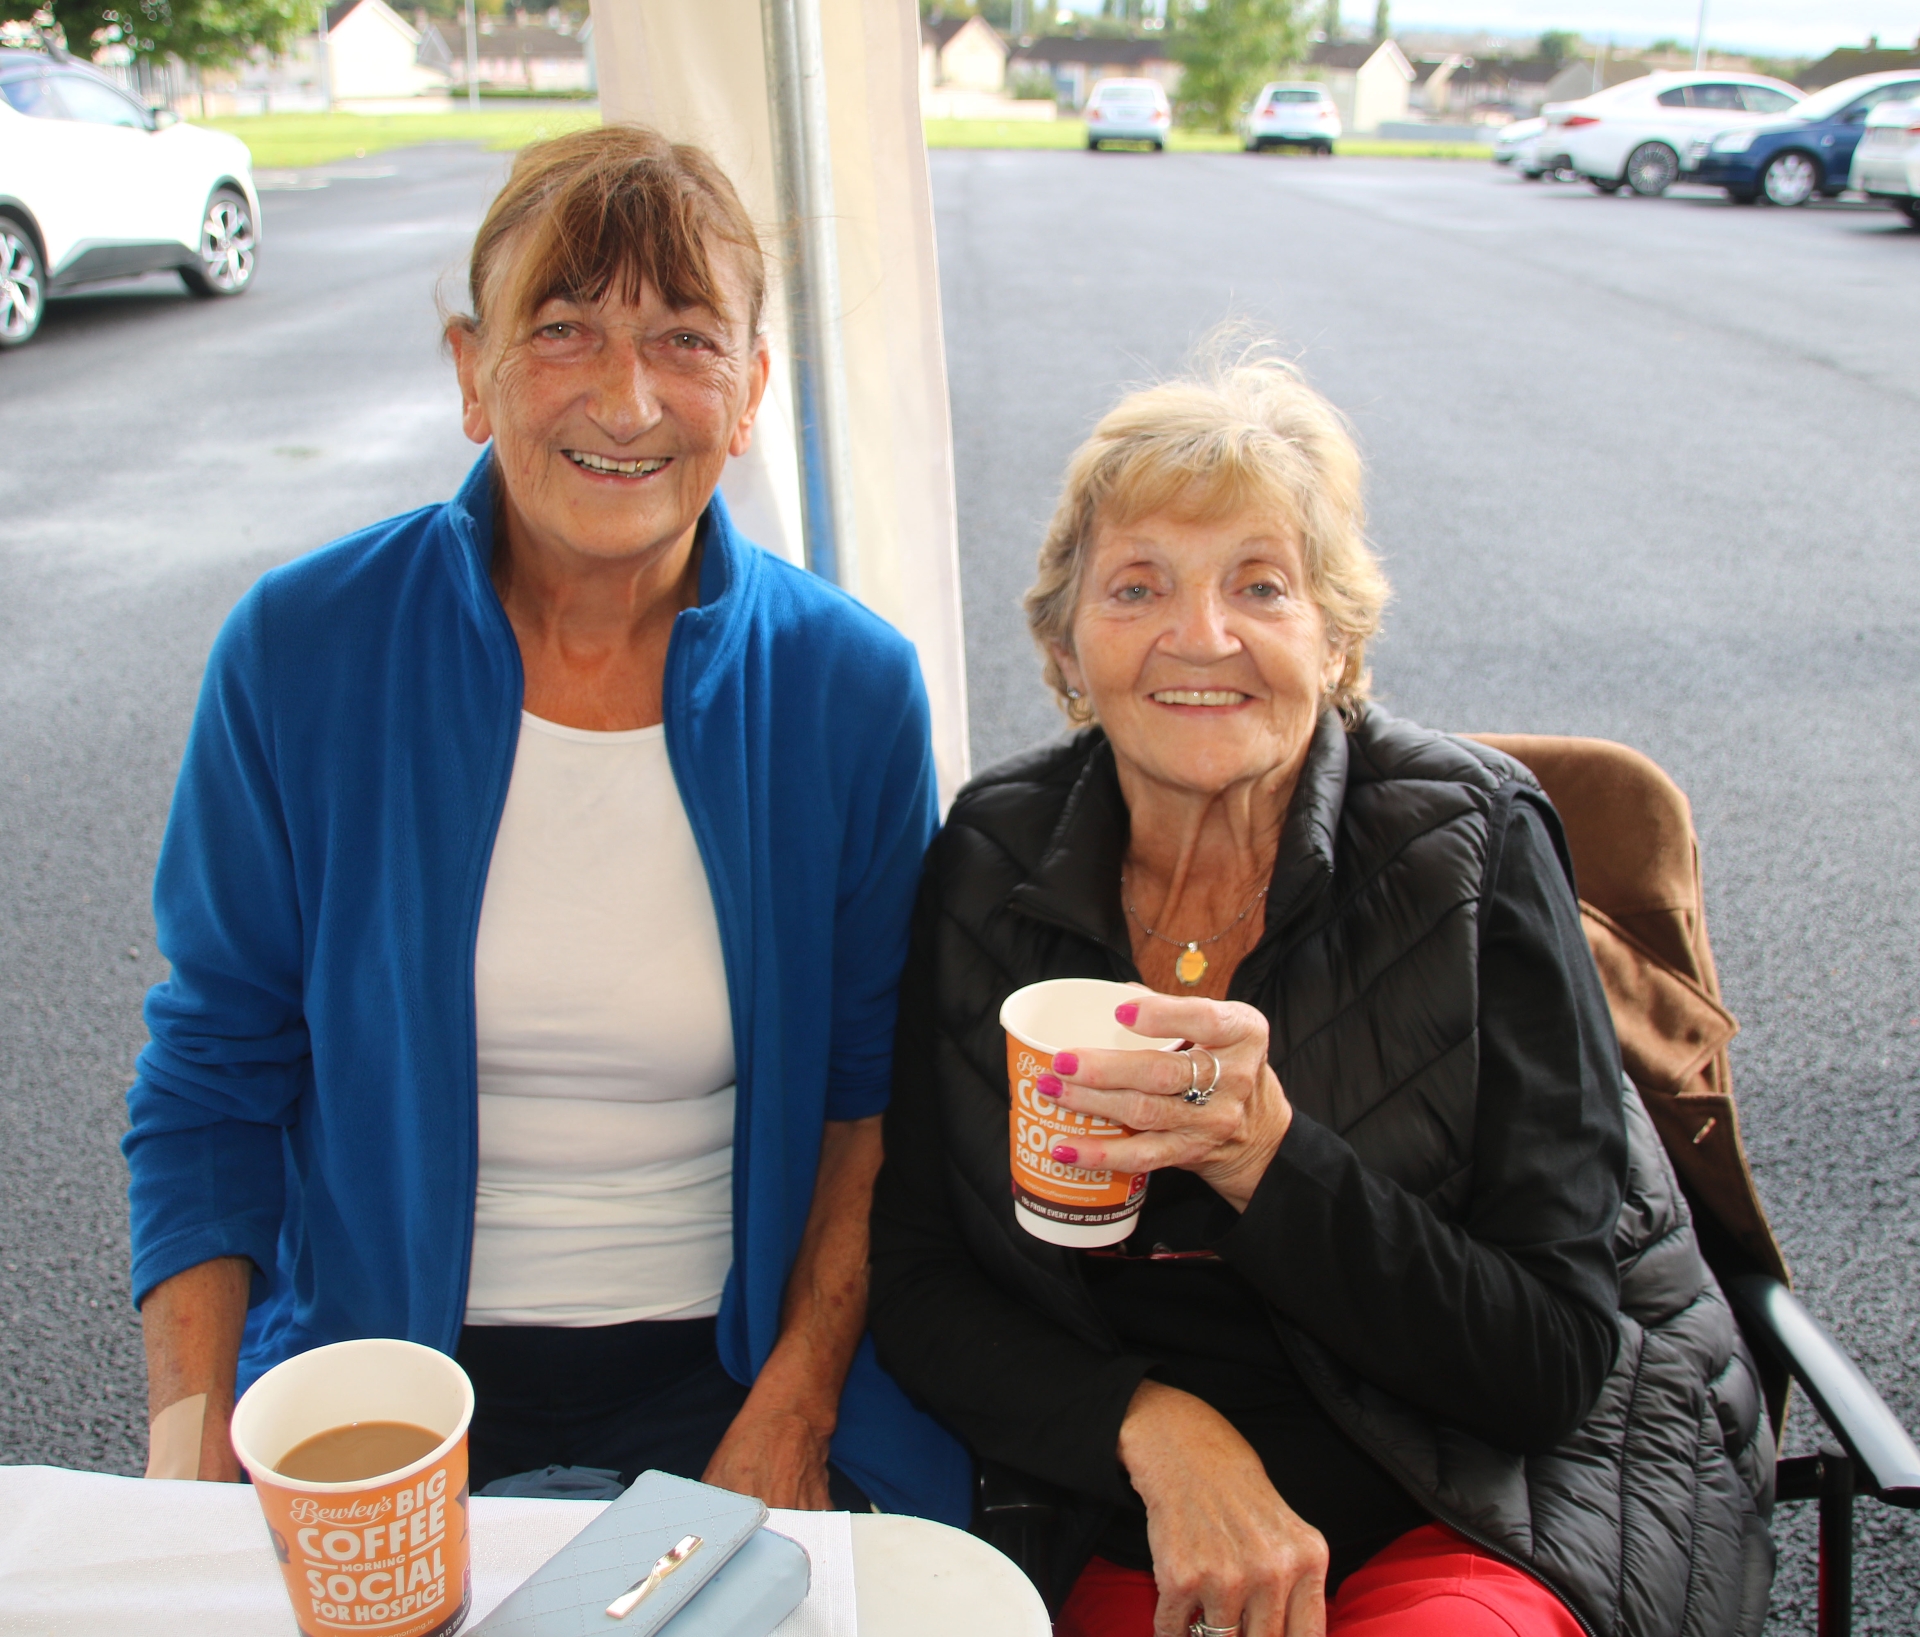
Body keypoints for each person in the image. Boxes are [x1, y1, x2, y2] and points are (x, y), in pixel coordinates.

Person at [124, 125, 968, 1523]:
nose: (627, 399)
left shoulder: (847, 688)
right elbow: (212, 1076)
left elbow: (871, 1105)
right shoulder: (303, 650)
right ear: (472, 373)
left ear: (751, 392)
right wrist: (184, 1451)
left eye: (687, 339)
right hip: (381, 1380)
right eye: (564, 328)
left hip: (736, 1363)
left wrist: (796, 1403)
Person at [867, 355, 1774, 1634]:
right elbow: (917, 1271)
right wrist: (1156, 1430)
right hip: (1133, 1501)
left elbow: (1548, 1362)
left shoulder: (1470, 846)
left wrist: (1263, 1155)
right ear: (1066, 644)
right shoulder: (990, 850)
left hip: (1470, 1497)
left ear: (1337, 635)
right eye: (1138, 586)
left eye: (1260, 585)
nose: (1201, 636)